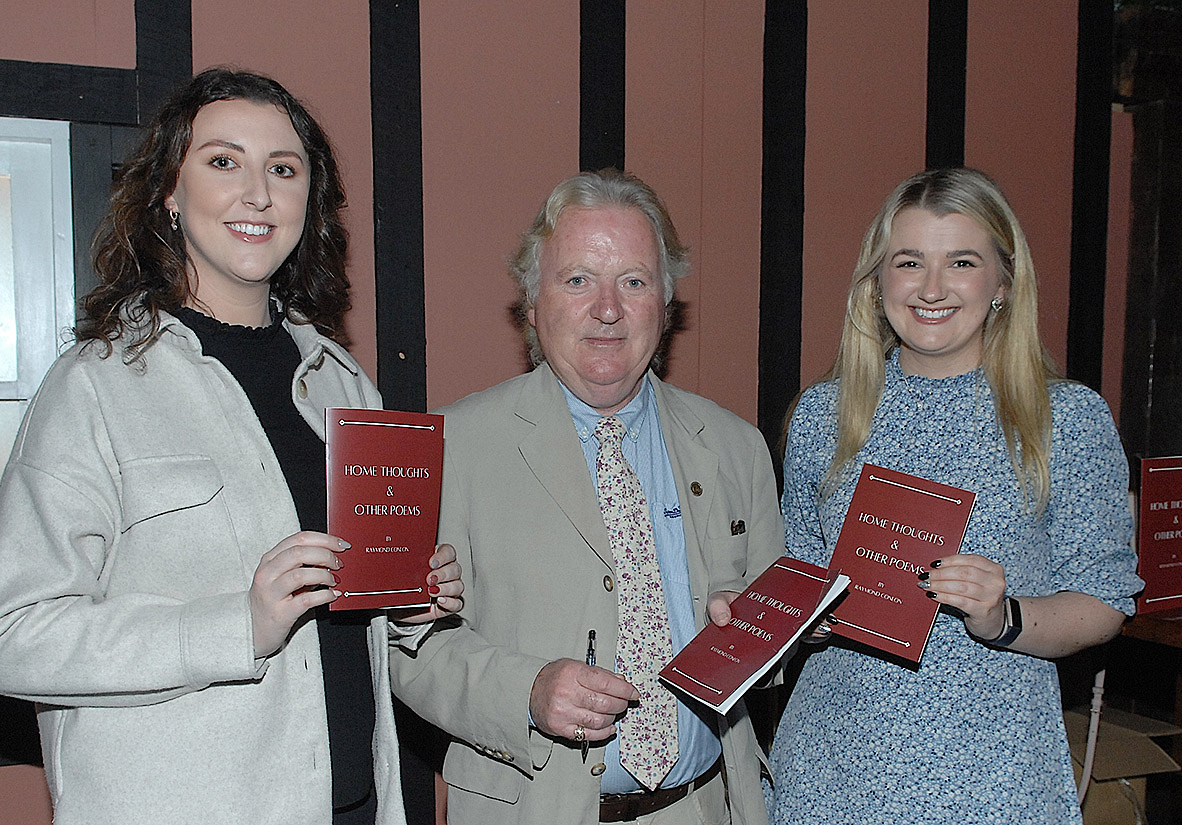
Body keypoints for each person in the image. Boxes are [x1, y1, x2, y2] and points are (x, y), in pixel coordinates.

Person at [0, 68, 462, 825]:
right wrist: (234, 624)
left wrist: (409, 598)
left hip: (353, 803)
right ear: (169, 197)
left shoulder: (344, 383)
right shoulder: (94, 387)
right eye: (223, 162)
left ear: (306, 202)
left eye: (283, 169)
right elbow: (15, 633)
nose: (257, 193)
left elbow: (353, 621)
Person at [387, 169, 782, 825]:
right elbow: (411, 651)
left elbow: (775, 643)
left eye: (634, 280)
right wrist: (527, 691)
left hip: (706, 807)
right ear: (532, 305)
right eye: (578, 280)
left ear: (667, 302)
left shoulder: (737, 446)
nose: (608, 308)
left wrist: (760, 634)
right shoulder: (453, 444)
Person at [764, 167, 1143, 824]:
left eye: (961, 261)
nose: (932, 288)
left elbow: (1104, 601)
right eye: (909, 262)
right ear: (878, 282)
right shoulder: (824, 416)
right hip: (832, 772)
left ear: (1003, 281)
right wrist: (805, 620)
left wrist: (1004, 618)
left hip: (994, 777)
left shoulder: (1067, 419)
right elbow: (800, 570)